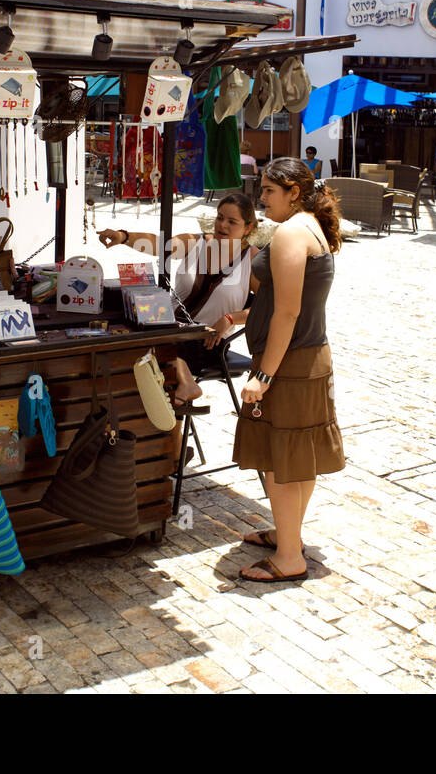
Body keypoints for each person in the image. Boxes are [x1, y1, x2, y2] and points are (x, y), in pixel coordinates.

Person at [229, 157, 344, 583]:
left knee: (281, 460)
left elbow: (288, 312)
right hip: (308, 358)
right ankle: (287, 535)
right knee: (299, 456)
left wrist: (263, 375)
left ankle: (290, 557)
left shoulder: (293, 234)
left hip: (290, 364)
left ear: (294, 192)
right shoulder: (311, 227)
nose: (261, 197)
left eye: (269, 190)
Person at [98, 192, 259, 405]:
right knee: (123, 338)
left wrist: (231, 318)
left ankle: (181, 393)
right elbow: (159, 244)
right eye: (220, 217)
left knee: (149, 351)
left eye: (232, 221)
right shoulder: (196, 242)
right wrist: (124, 237)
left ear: (248, 228)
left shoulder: (253, 259)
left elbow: (267, 307)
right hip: (166, 327)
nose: (222, 225)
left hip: (208, 342)